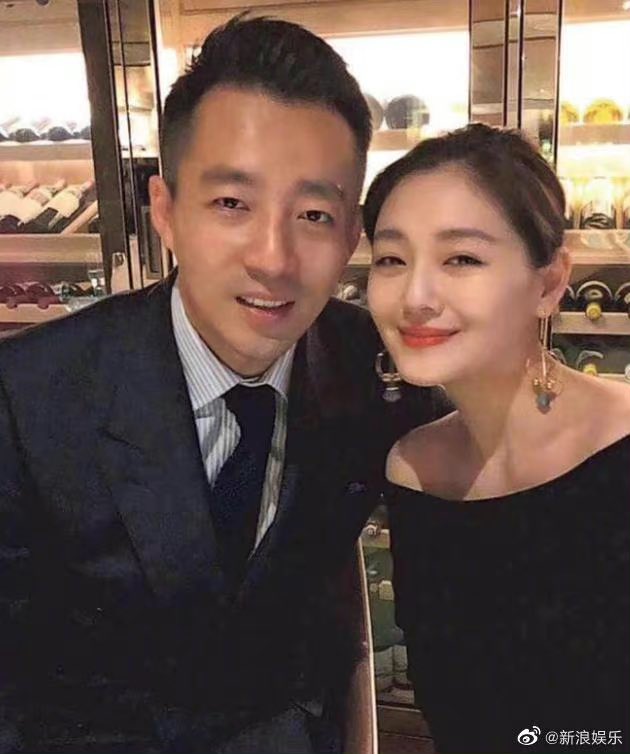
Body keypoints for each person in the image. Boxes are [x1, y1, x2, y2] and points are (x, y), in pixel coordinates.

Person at [0, 16, 441, 754]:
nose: (273, 259)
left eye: (313, 215)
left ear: (351, 236)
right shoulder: (30, 397)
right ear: (165, 211)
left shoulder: (374, 367)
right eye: (232, 204)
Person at [364, 123, 630, 754]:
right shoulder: (414, 468)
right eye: (391, 259)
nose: (415, 297)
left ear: (549, 283)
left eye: (462, 259)